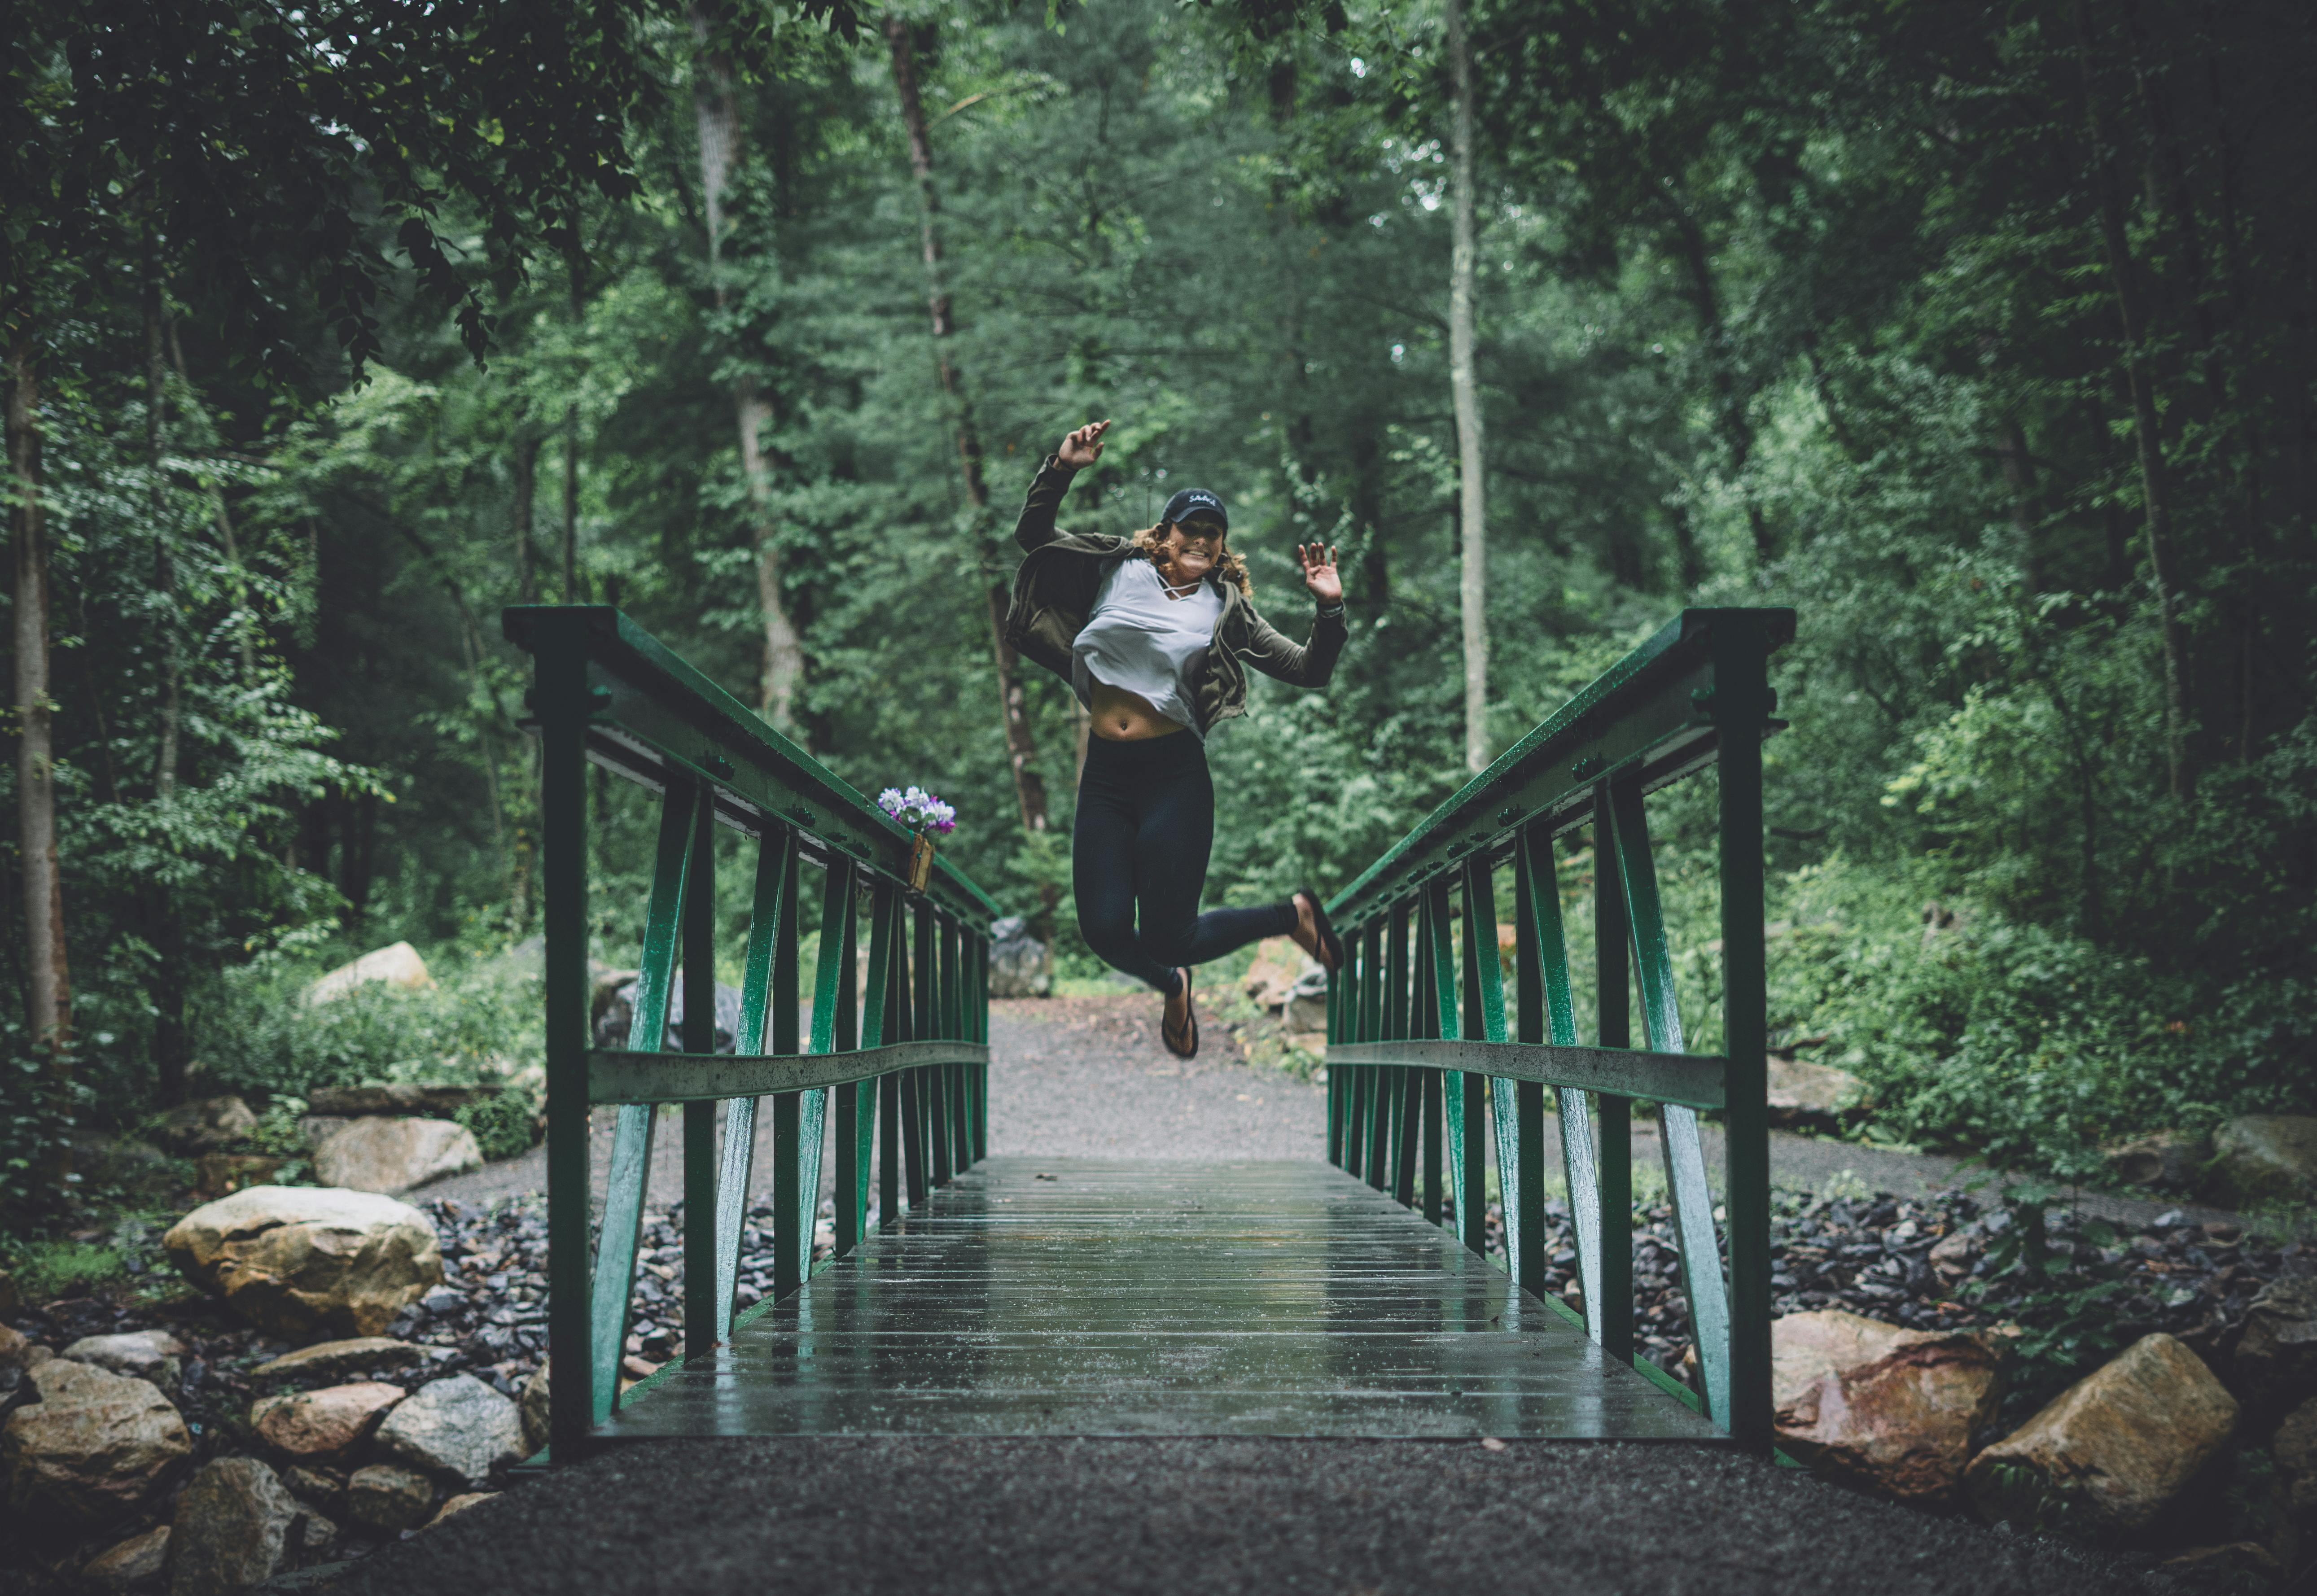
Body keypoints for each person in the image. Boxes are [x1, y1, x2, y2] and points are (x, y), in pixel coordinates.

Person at [1005, 418, 1349, 1058]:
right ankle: (1172, 986)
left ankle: (1294, 914)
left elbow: (1310, 669)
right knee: (1104, 930)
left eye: (1210, 533)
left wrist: (1328, 608)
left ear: (1221, 548)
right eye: (1187, 528)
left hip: (1174, 776)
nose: (1198, 538)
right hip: (1106, 774)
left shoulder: (1225, 608)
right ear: (1162, 534)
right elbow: (1033, 538)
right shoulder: (1114, 567)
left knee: (1172, 932)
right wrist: (1063, 466)